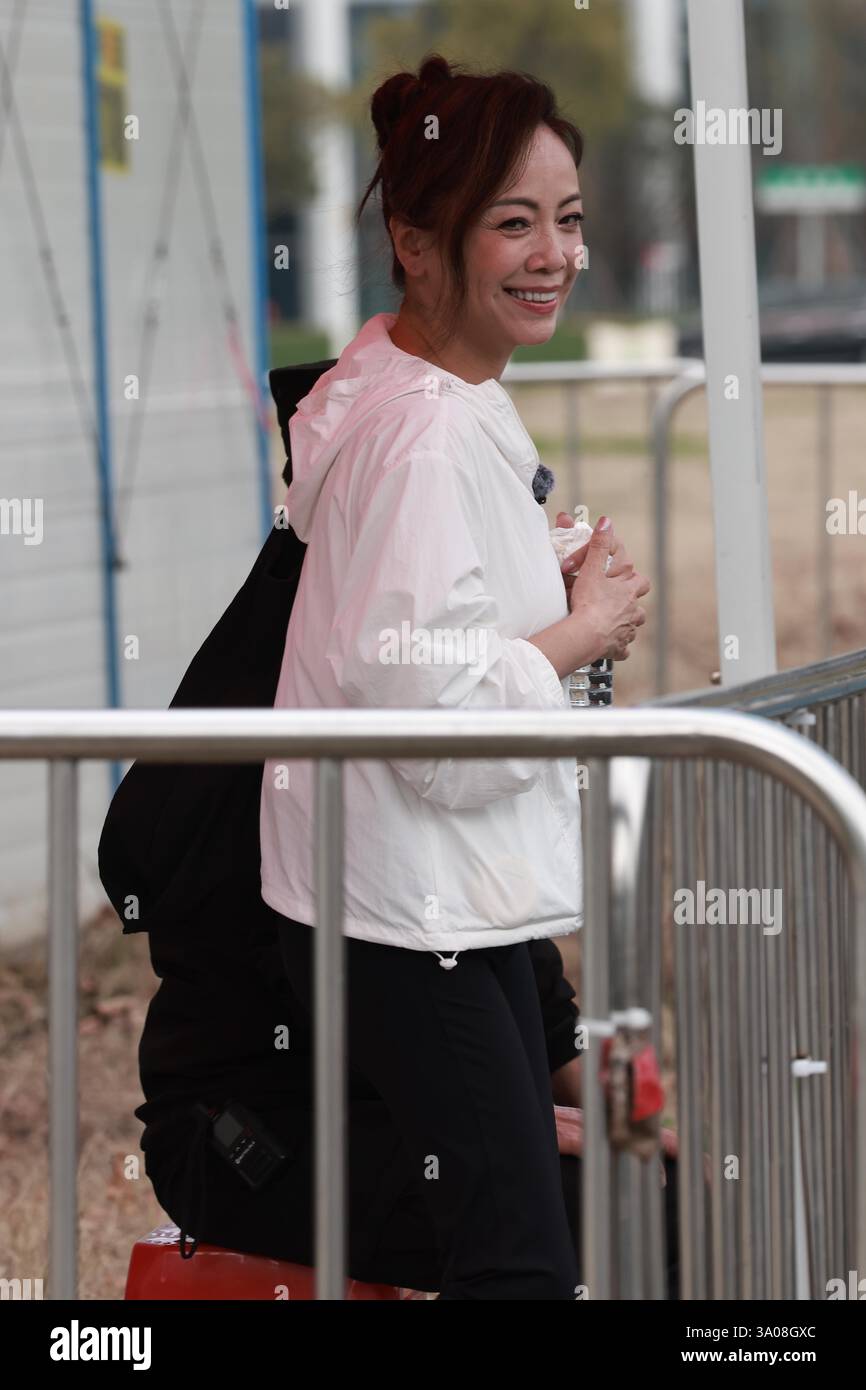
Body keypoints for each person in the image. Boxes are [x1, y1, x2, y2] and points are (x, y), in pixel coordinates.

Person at [256, 53, 651, 1300]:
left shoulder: (411, 392)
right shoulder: (427, 431)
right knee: (515, 1261)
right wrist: (578, 632)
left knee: (524, 1228)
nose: (554, 255)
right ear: (417, 242)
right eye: (513, 222)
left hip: (416, 903)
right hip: (411, 910)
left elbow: (411, 626)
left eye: (569, 220)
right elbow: (431, 728)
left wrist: (534, 570)